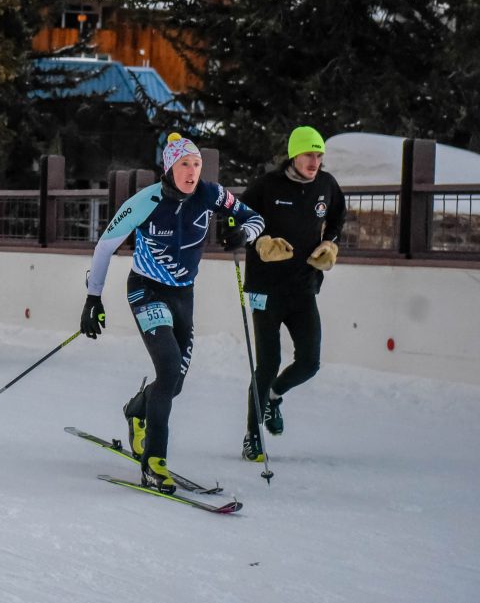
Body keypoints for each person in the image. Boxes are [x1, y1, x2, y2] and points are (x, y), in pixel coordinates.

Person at [78, 133, 265, 493]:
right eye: (184, 164)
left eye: (196, 164)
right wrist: (93, 298)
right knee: (167, 367)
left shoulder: (212, 194)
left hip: (183, 296)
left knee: (174, 383)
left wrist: (244, 234)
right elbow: (105, 246)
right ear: (169, 167)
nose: (192, 171)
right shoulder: (146, 201)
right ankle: (153, 463)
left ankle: (136, 410)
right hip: (146, 290)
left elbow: (255, 218)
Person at [238, 125, 345, 461]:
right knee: (268, 363)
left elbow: (339, 217)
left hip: (303, 287)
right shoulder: (267, 185)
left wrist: (330, 243)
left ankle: (273, 396)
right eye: (308, 154)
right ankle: (252, 437)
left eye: (319, 155)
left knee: (310, 362)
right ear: (294, 155)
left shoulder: (327, 185)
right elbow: (238, 220)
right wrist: (260, 241)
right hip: (266, 289)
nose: (315, 161)